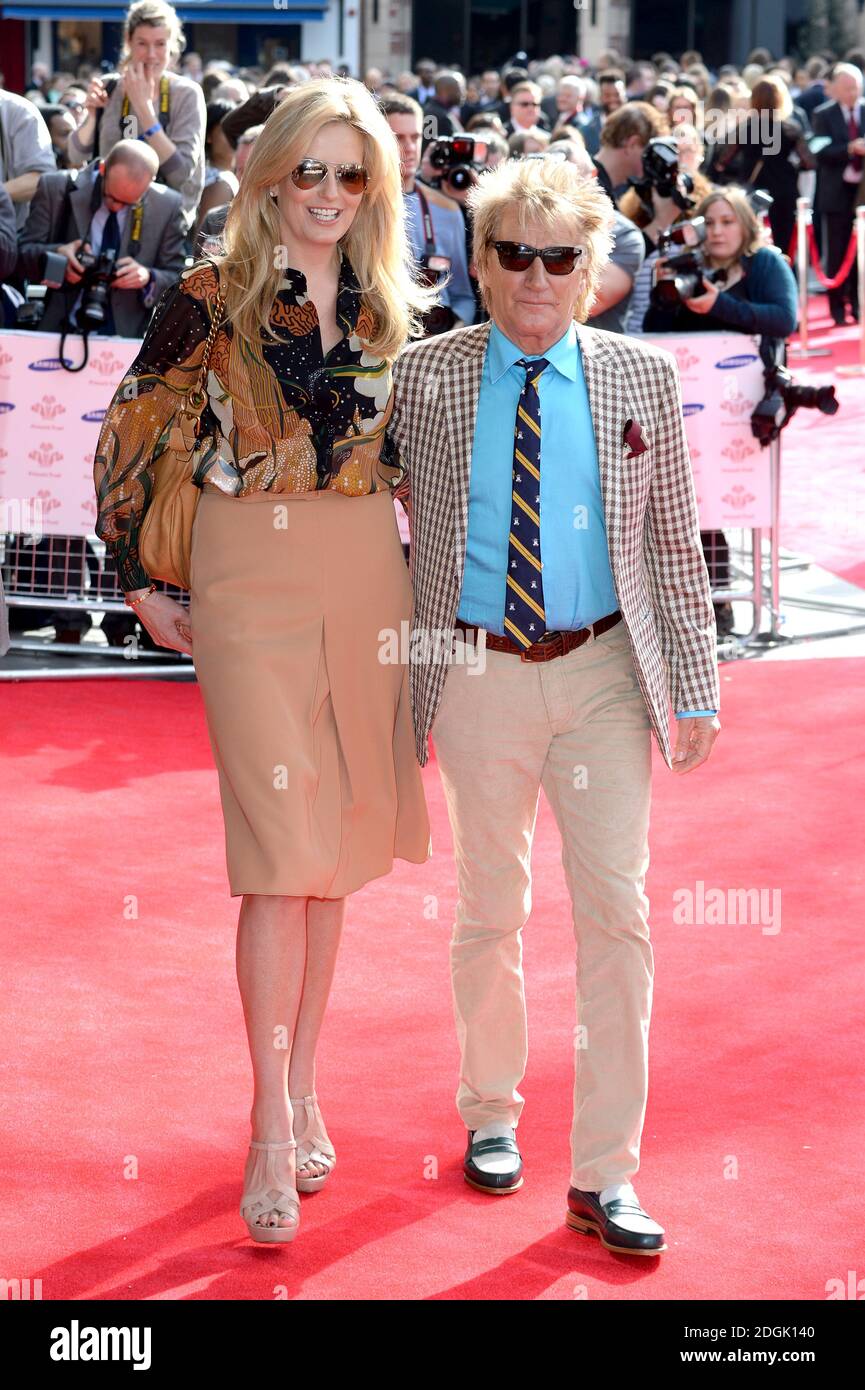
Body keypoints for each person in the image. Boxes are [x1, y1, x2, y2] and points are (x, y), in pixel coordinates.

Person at [91, 76, 434, 1244]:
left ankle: (303, 1081)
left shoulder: (398, 310)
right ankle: (267, 1126)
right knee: (276, 850)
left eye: (352, 174)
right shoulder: (210, 293)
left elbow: (423, 465)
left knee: (329, 852)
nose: (329, 194)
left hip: (361, 568)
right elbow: (136, 415)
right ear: (271, 174)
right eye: (309, 171)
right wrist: (138, 571)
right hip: (248, 574)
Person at [389, 157, 721, 1256]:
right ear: (478, 264)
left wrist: (696, 683)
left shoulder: (639, 380)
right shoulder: (426, 376)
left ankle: (604, 1173)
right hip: (478, 668)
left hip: (603, 676)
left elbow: (672, 541)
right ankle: (489, 1109)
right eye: (513, 253)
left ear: (591, 272)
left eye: (559, 257)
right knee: (491, 905)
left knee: (615, 918)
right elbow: (351, 510)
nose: (535, 276)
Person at [644, 187, 798, 635]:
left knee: (734, 502)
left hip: (747, 406)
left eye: (727, 222)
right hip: (692, 408)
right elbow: (658, 330)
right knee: (696, 505)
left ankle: (734, 602)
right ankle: (708, 607)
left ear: (746, 225)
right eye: (710, 223)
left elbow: (784, 319)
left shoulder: (765, 262)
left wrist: (720, 305)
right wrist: (664, 292)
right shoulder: (689, 268)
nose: (717, 231)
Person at [66, 0, 206, 241]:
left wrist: (143, 108)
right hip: (106, 220)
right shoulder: (110, 86)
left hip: (164, 227)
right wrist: (90, 116)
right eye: (142, 43)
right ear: (128, 42)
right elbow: (75, 156)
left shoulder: (187, 93)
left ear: (172, 46)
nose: (151, 54)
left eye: (160, 44)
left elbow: (181, 173)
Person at [813, 63, 865, 326]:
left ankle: (858, 306)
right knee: (836, 253)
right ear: (835, 89)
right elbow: (818, 152)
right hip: (836, 194)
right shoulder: (824, 115)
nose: (853, 93)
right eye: (847, 88)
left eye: (856, 88)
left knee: (861, 254)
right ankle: (836, 308)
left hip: (862, 194)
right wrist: (849, 148)